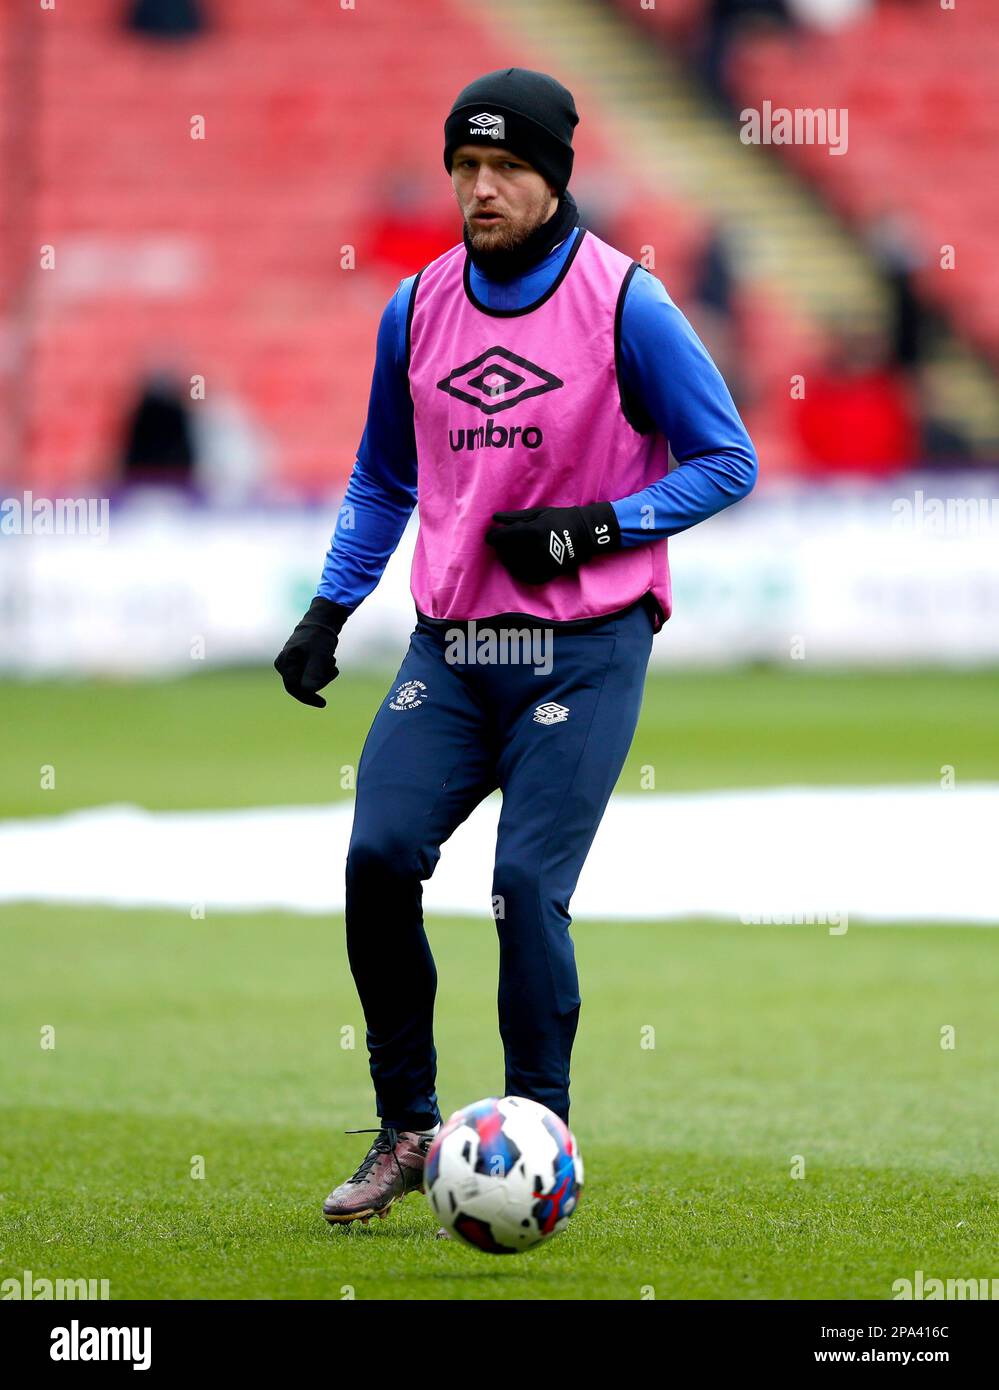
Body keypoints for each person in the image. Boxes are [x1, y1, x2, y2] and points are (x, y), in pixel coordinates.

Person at [274, 68, 758, 1230]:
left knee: (524, 885)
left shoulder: (628, 304)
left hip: (584, 649)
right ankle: (408, 1126)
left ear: (555, 179)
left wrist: (596, 528)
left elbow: (726, 458)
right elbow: (384, 475)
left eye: (506, 170)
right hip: (452, 650)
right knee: (378, 855)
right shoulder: (415, 307)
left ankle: (539, 1137)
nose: (480, 190)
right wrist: (331, 607)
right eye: (465, 168)